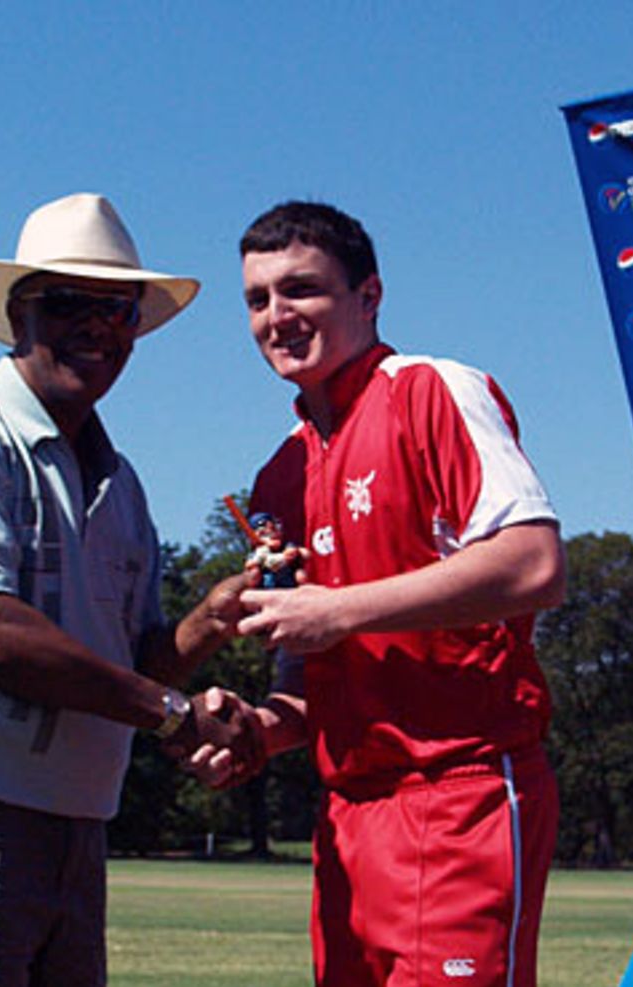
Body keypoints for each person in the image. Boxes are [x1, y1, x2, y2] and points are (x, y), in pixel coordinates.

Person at [0, 192, 257, 986]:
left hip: (76, 824)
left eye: (121, 309)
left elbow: (129, 663)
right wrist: (172, 716)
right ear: (18, 313)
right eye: (70, 301)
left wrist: (208, 621)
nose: (99, 327)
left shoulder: (121, 483)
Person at [192, 201, 566, 987]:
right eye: (257, 299)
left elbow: (534, 563)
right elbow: (309, 679)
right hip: (348, 815)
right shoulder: (279, 475)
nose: (277, 316)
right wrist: (258, 729)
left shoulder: (431, 390)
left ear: (369, 296)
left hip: (457, 794)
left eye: (302, 290)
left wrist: (336, 608)